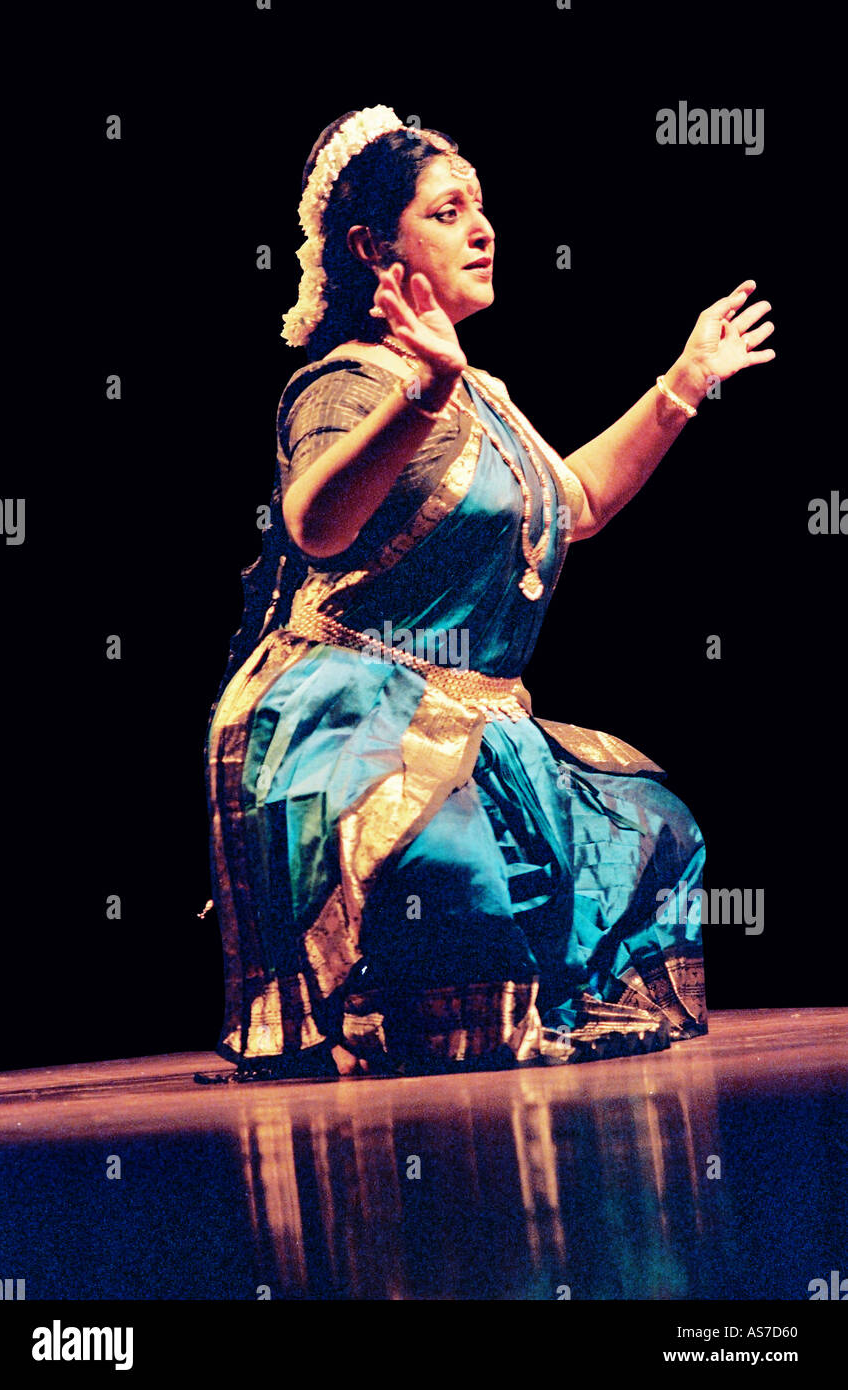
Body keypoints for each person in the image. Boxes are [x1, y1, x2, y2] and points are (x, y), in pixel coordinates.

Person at [201, 105, 775, 1081]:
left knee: (655, 826)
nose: (482, 229)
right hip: (348, 719)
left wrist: (680, 384)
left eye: (482, 207)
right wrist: (419, 390)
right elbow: (315, 524)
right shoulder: (344, 384)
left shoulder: (481, 391)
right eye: (448, 209)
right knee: (447, 872)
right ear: (369, 245)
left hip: (477, 722)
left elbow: (577, 500)